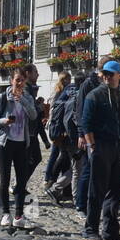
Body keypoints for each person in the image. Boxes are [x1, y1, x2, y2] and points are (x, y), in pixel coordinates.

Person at [80, 60, 120, 240]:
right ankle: (91, 228)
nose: (106, 76)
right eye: (104, 73)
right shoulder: (94, 95)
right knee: (96, 189)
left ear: (118, 76)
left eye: (110, 73)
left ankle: (110, 230)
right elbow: (86, 123)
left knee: (116, 189)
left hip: (118, 146)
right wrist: (92, 146)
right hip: (100, 146)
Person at [0, 69, 40, 229]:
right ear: (11, 80)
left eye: (23, 80)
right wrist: (4, 121)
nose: (20, 83)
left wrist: (24, 101)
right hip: (5, 143)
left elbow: (33, 116)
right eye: (17, 80)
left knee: (21, 181)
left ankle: (19, 215)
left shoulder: (27, 98)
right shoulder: (3, 98)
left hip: (21, 144)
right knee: (5, 180)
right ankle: (6, 213)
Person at [71, 62, 105, 216]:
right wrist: (81, 134)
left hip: (102, 134)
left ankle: (95, 202)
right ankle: (80, 204)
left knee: (99, 170)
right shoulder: (88, 84)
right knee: (87, 169)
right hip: (88, 133)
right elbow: (80, 111)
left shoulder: (107, 85)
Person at [44, 72, 76, 203]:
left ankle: (59, 185)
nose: (70, 81)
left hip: (60, 128)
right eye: (68, 78)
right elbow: (53, 109)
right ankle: (50, 180)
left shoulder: (65, 91)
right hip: (60, 129)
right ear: (65, 80)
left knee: (63, 157)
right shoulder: (61, 91)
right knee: (59, 155)